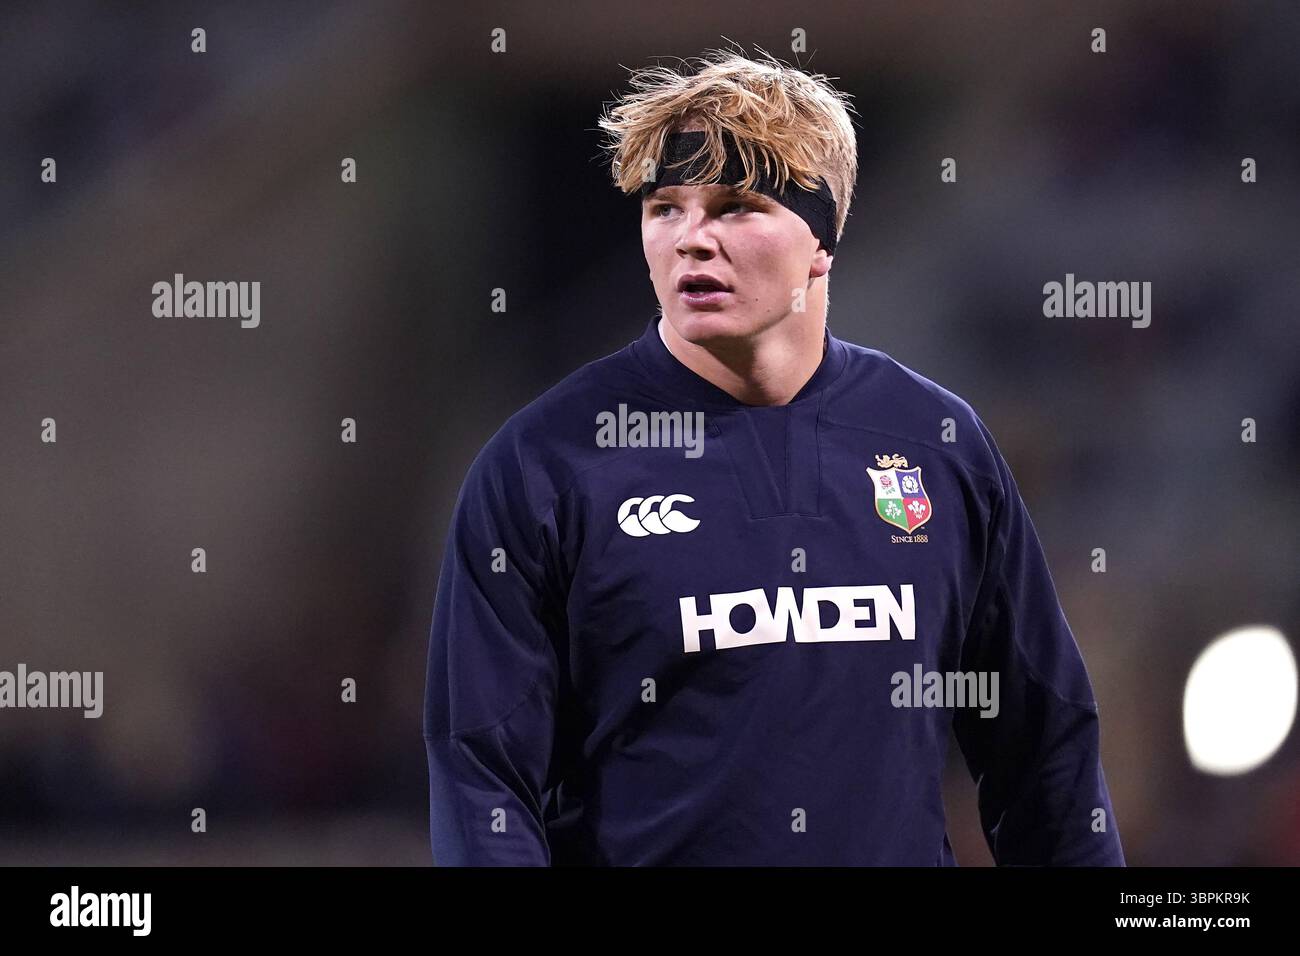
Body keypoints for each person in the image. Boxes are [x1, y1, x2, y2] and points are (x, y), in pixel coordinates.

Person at [422, 47, 1125, 866]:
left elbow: (1046, 753)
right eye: (664, 207)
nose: (691, 240)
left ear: (822, 240)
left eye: (734, 206)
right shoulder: (545, 464)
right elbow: (482, 779)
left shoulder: (935, 443)